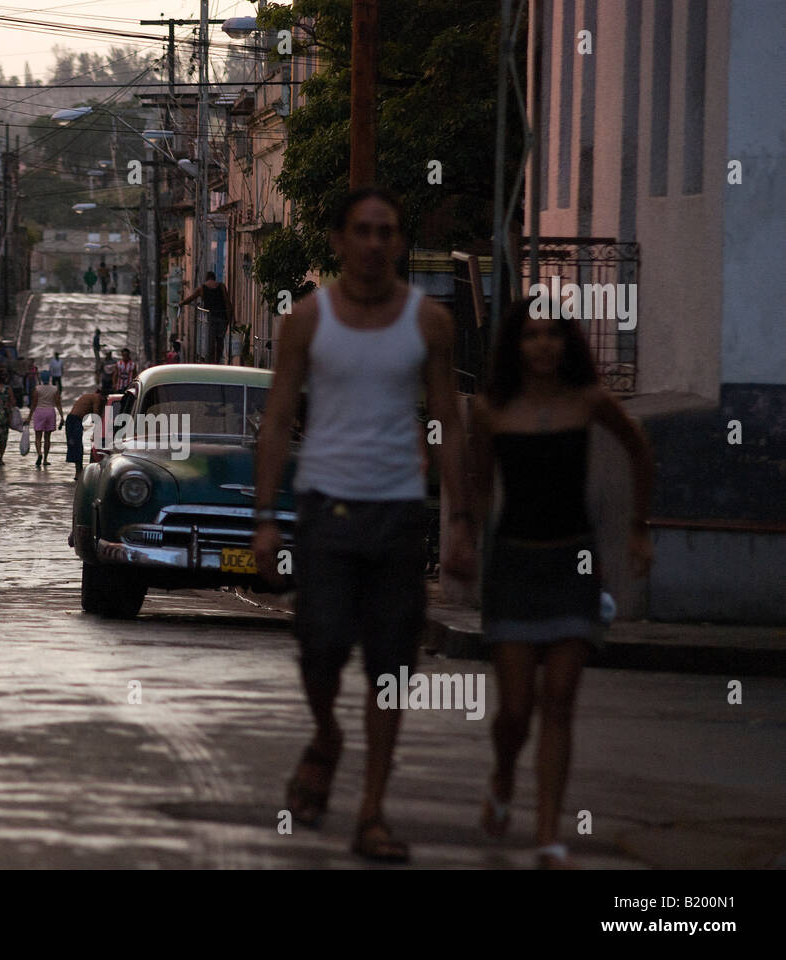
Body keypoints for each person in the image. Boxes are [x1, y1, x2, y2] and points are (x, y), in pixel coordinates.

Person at [251, 187, 477, 862]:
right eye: (362, 231)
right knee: (318, 649)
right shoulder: (307, 322)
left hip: (398, 515)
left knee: (391, 667)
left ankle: (372, 812)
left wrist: (460, 518)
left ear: (400, 242)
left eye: (387, 232)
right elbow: (275, 419)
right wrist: (266, 519)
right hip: (325, 508)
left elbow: (446, 422)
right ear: (341, 241)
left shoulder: (429, 322)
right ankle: (326, 734)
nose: (375, 243)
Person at [472, 297, 653, 869]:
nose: (542, 345)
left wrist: (638, 527)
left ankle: (548, 831)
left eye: (552, 334)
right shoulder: (492, 409)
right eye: (531, 336)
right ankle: (503, 777)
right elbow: (477, 482)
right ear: (515, 346)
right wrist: (473, 542)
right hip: (514, 569)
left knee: (559, 701)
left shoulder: (588, 401)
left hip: (574, 565)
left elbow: (638, 449)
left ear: (566, 342)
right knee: (516, 711)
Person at [180, 272, 233, 363]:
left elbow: (191, 298)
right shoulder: (221, 286)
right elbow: (227, 302)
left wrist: (181, 303)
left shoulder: (202, 288)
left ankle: (211, 362)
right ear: (214, 278)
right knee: (220, 340)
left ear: (206, 278)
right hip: (222, 317)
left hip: (210, 318)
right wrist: (230, 318)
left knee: (210, 342)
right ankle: (218, 360)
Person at [66, 384, 106, 479]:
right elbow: (96, 417)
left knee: (75, 445)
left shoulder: (90, 396)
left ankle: (78, 471)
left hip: (72, 419)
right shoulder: (97, 398)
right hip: (74, 420)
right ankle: (78, 472)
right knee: (77, 446)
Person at [29, 371, 64, 468]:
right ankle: (45, 459)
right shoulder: (54, 389)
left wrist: (29, 416)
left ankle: (39, 453)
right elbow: (58, 403)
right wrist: (61, 416)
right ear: (49, 378)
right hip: (50, 412)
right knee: (47, 438)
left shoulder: (37, 389)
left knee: (38, 436)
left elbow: (34, 404)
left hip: (39, 412)